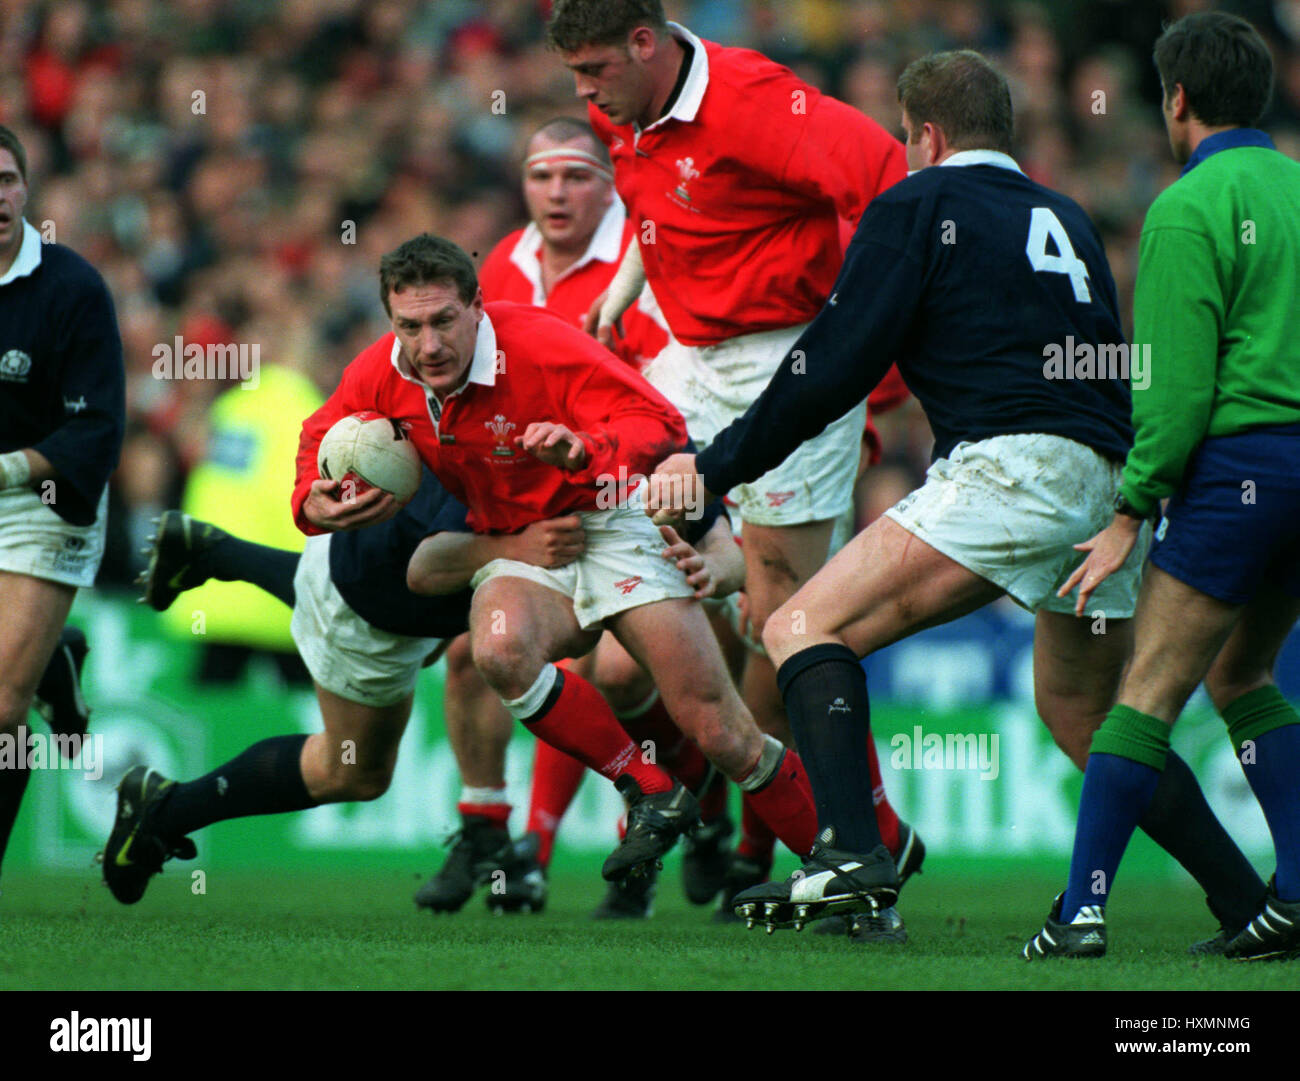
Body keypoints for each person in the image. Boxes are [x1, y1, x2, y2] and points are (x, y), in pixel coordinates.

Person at [645, 50, 1268, 947]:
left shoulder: (917, 202)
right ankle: (1247, 904)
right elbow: (1100, 357)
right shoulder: (1064, 215)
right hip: (1103, 483)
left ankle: (855, 859)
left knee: (799, 627)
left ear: (924, 134)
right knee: (1088, 717)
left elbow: (832, 366)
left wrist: (714, 465)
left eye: (904, 139)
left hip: (1012, 469)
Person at [290, 232, 819, 886]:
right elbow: (323, 429)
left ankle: (846, 866)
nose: (429, 344)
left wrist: (584, 447)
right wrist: (308, 502)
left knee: (720, 732)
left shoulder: (540, 345)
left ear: (478, 306)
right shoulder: (385, 368)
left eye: (444, 321)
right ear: (392, 321)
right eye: (410, 326)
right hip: (528, 536)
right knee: (498, 649)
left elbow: (656, 422)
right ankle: (652, 787)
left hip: (612, 515)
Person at [545, 0, 915, 911]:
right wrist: (624, 293)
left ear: (647, 43)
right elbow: (650, 204)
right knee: (629, 568)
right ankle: (705, 813)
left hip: (788, 357)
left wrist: (855, 331)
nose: (584, 92)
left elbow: (885, 175)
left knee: (783, 615)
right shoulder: (622, 108)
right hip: (685, 351)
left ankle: (868, 840)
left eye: (594, 69)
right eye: (575, 75)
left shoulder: (753, 102)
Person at [104, 467, 734, 908]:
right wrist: (515, 545)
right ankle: (164, 808)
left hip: (381, 581)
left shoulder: (522, 419)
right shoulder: (490, 445)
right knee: (353, 771)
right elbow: (429, 563)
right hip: (369, 609)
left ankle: (219, 554)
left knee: (487, 643)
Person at [1024, 12, 1300, 962]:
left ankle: (1081, 912)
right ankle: (1295, 894)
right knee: (1243, 673)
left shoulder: (1187, 205)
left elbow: (1174, 393)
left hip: (1240, 472)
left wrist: (1133, 507)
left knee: (1142, 695)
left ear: (1176, 99)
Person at [0, 125, 123, 889]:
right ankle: (57, 661)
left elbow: (97, 427)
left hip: (45, 497)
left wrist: (11, 467)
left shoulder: (71, 286)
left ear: (24, 189)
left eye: (6, 180)